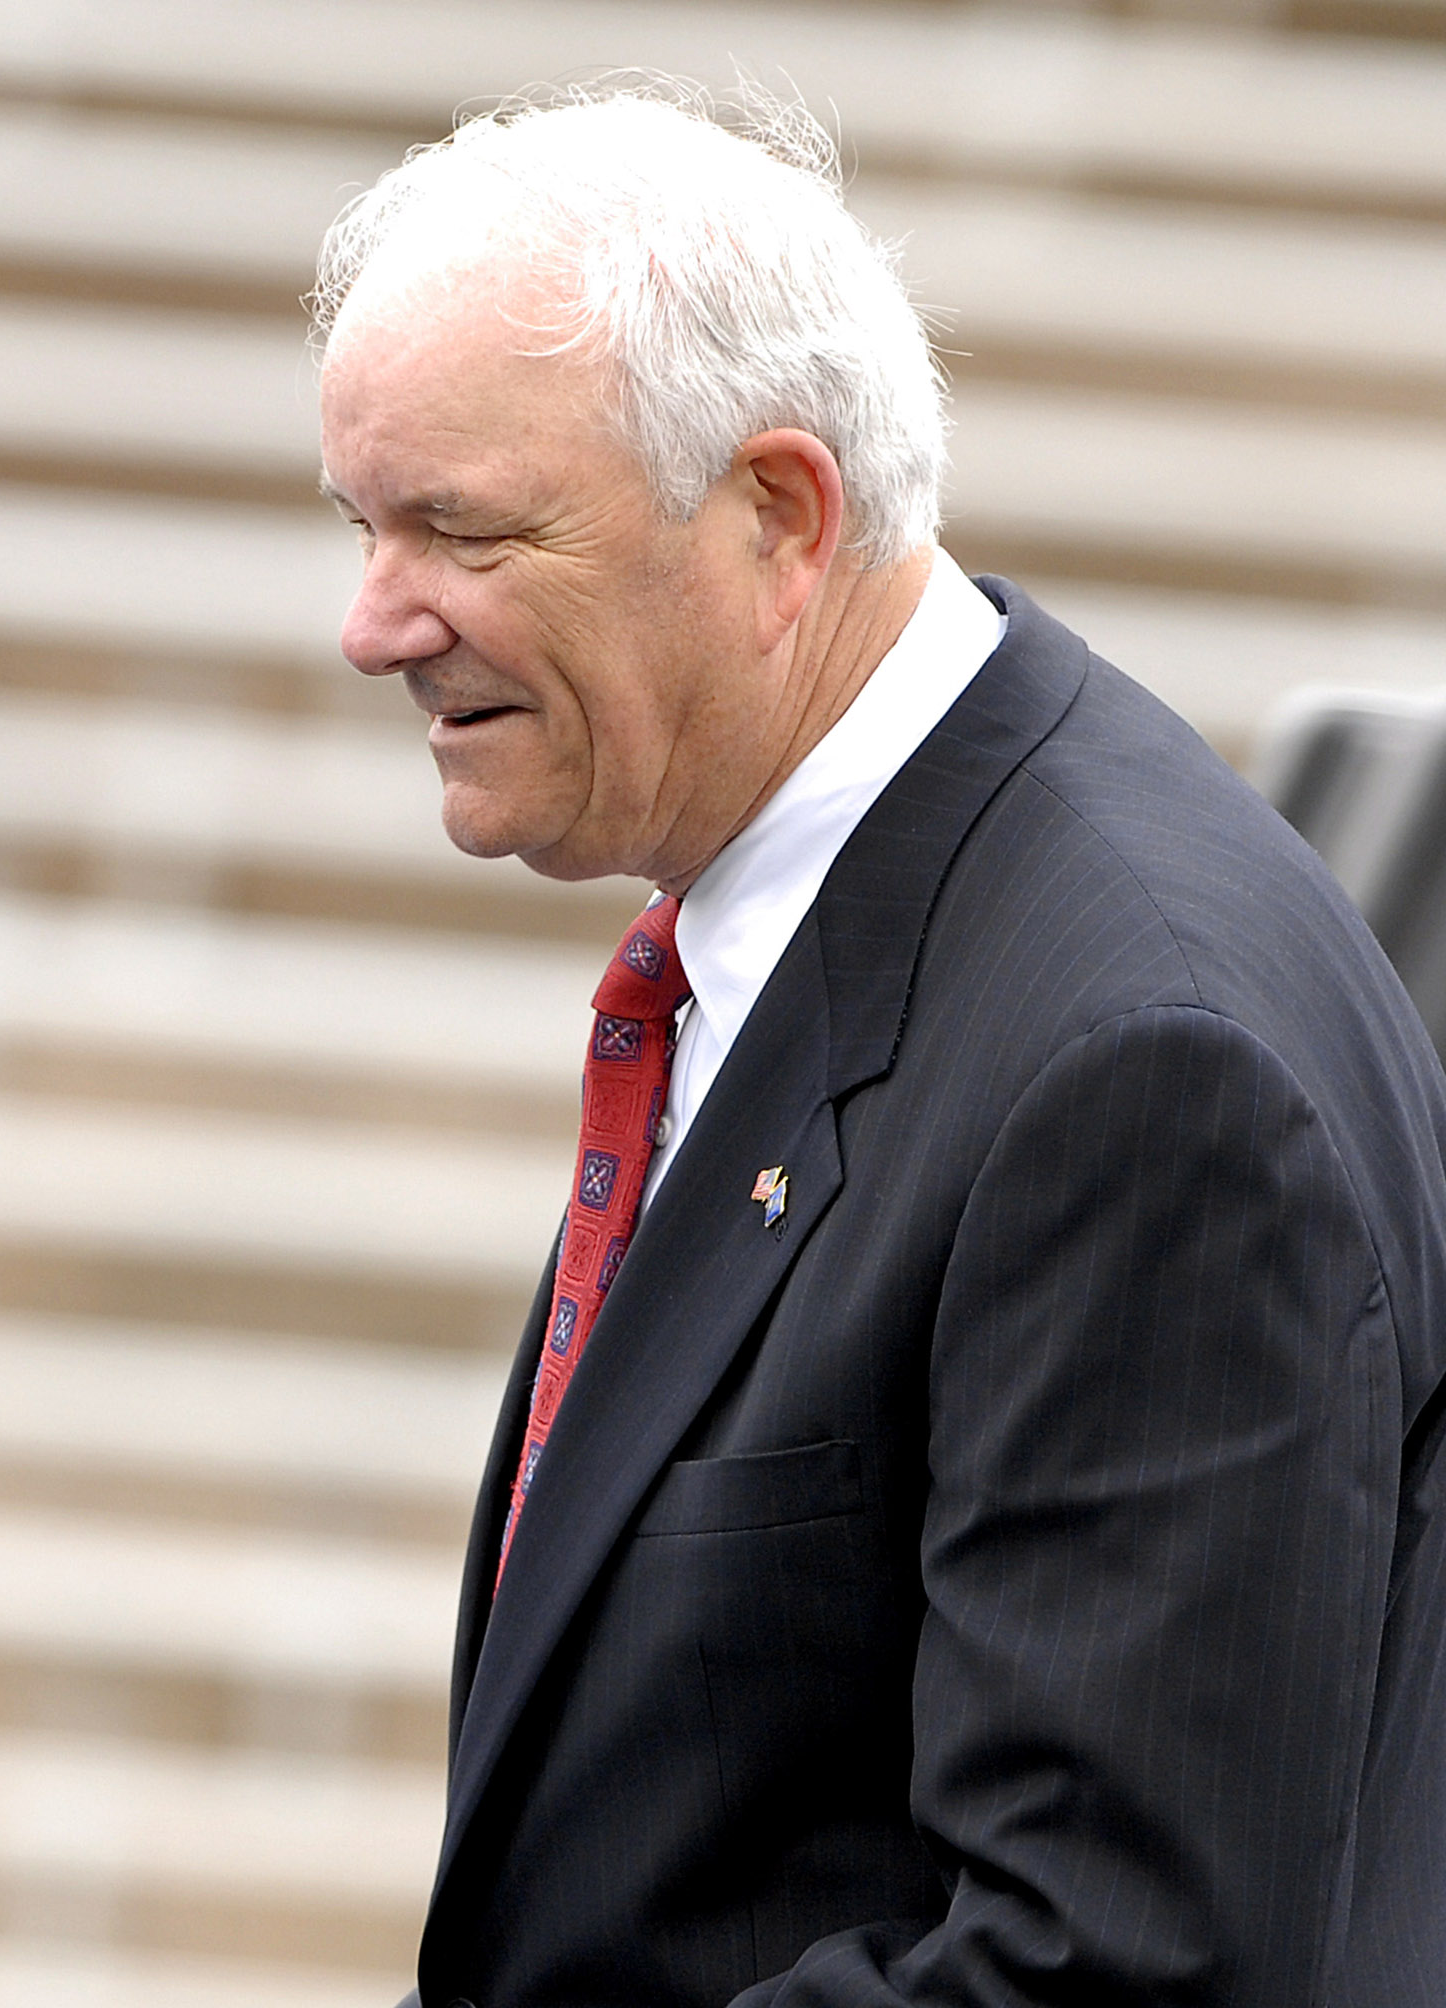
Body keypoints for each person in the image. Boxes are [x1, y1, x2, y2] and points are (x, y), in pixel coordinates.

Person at [315, 86, 1446, 2008]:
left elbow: (1106, 1969)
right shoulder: (856, 912)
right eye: (363, 525)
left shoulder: (1144, 1074)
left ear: (780, 516)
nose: (373, 624)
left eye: (463, 531)